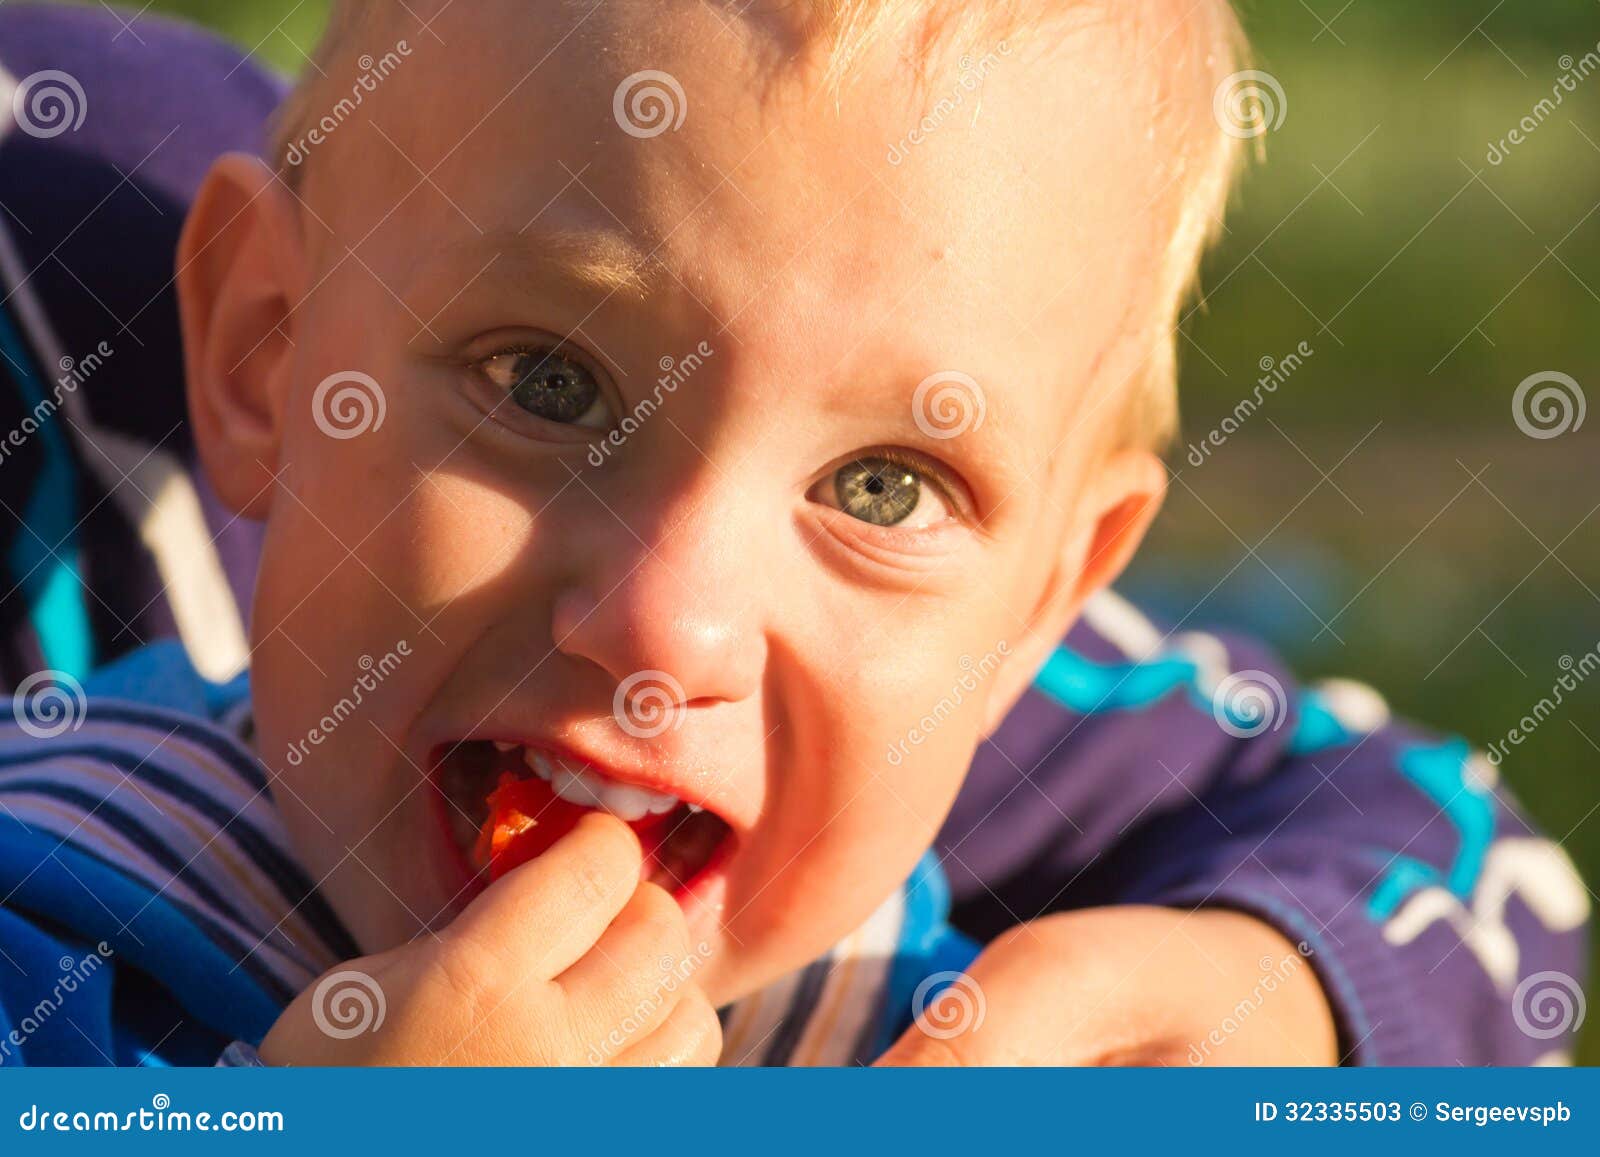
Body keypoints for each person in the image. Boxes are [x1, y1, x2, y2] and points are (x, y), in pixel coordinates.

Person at [0, 0, 1585, 1068]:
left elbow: (1474, 856)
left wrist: (1271, 995)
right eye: (546, 384)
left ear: (1044, 599)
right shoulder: (52, 925)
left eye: (886, 487)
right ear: (269, 351)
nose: (669, 624)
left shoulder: (907, 887)